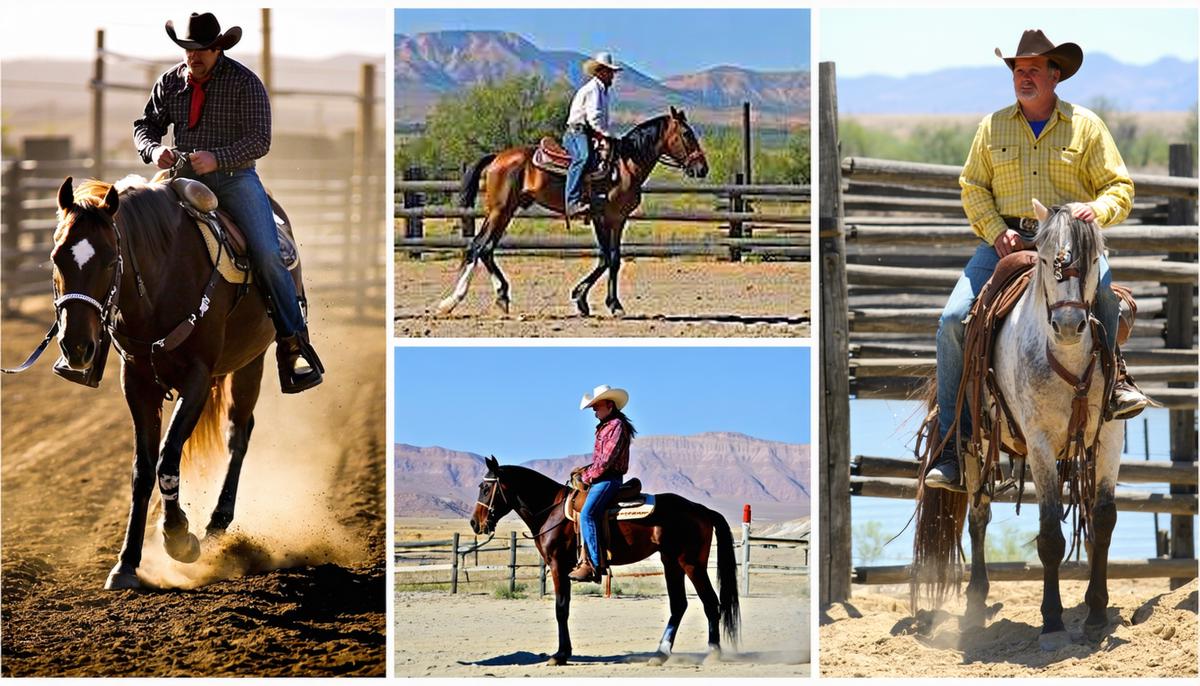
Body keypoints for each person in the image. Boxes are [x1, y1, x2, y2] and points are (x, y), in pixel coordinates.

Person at [926, 30, 1150, 489]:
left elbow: (1119, 188)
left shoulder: (1086, 126)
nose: (1023, 77)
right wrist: (996, 231)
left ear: (1055, 75)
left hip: (1071, 244)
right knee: (951, 321)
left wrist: (1096, 211)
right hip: (1005, 243)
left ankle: (1115, 388)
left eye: (1032, 69)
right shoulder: (992, 127)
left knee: (1106, 298)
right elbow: (972, 187)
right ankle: (953, 444)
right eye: (1017, 70)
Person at [133, 12, 323, 393]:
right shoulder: (170, 82)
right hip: (180, 178)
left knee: (267, 253)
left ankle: (293, 342)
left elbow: (259, 139)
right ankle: (110, 337)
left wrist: (218, 158)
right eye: (188, 49)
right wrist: (153, 150)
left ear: (218, 49)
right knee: (133, 233)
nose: (194, 56)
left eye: (201, 49)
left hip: (235, 181)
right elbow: (145, 126)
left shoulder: (244, 83)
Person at [569, 384, 636, 582]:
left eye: (596, 406)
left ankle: (593, 564)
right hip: (602, 477)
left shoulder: (616, 426)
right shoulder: (605, 426)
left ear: (609, 405)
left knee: (587, 514)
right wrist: (585, 470)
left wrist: (586, 477)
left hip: (608, 479)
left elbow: (606, 461)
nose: (594, 411)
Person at [564, 52, 622, 218]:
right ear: (600, 72)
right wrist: (607, 134)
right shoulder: (593, 89)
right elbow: (594, 118)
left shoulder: (602, 91)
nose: (612, 76)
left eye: (612, 72)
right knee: (583, 157)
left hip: (587, 131)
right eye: (609, 72)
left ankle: (594, 194)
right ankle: (572, 202)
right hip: (577, 131)